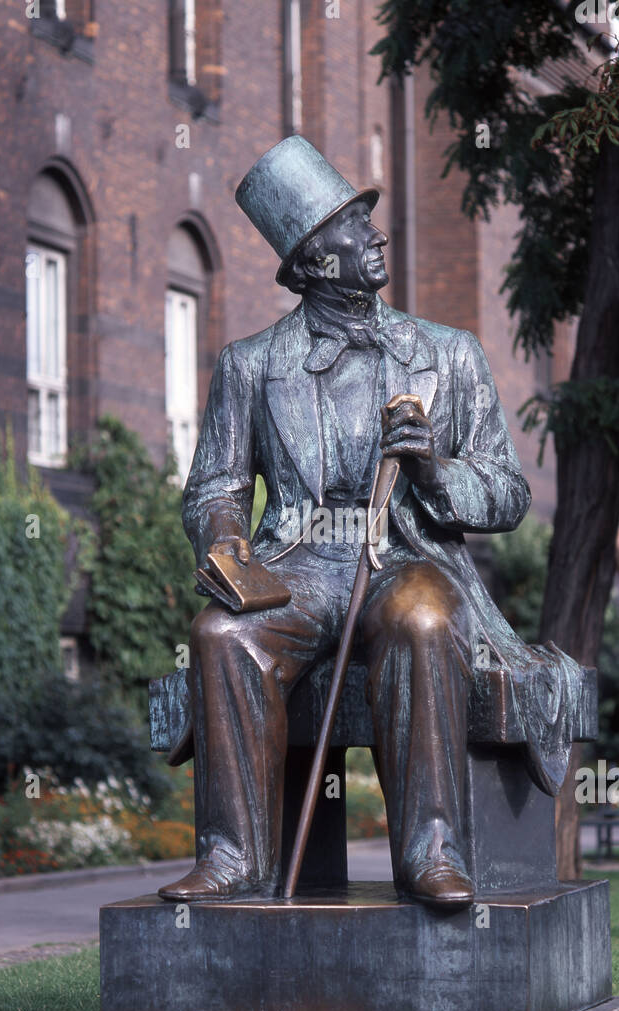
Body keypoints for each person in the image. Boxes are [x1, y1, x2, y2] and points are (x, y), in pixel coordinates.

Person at [156, 137, 586, 907]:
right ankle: (235, 857)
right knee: (221, 634)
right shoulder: (251, 364)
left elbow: (508, 493)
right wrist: (226, 543)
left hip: (408, 558)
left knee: (422, 617)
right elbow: (214, 483)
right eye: (354, 225)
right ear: (316, 260)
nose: (374, 235)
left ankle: (430, 853)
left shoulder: (449, 356)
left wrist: (431, 470)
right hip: (298, 566)